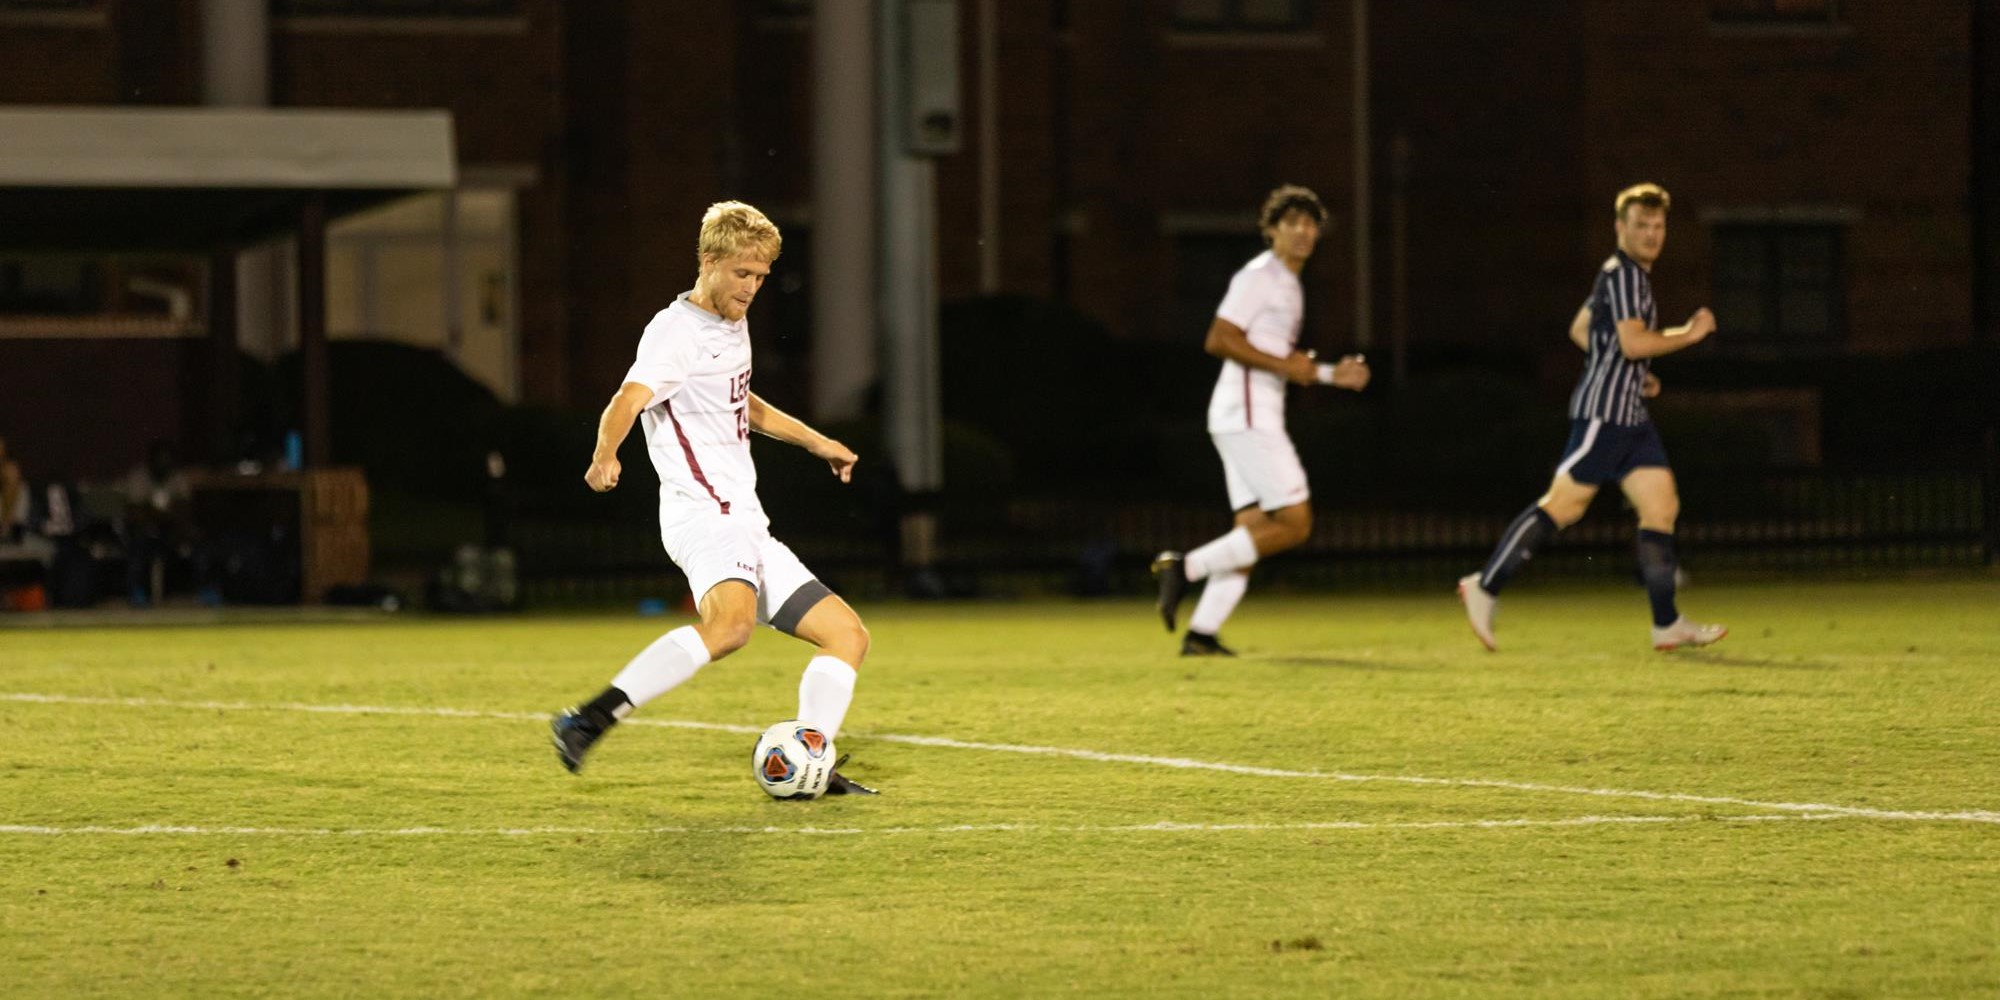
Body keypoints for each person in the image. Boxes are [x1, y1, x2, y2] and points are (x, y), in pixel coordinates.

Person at [550, 201, 877, 794]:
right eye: (741, 274)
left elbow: (740, 401)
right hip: (703, 515)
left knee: (847, 635)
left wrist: (816, 441)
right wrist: (605, 455)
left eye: (760, 277)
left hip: (745, 519)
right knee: (729, 627)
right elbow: (628, 399)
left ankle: (810, 758)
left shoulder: (730, 323)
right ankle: (589, 719)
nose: (751, 289)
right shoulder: (675, 332)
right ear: (708, 261)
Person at [1458, 183, 1726, 652]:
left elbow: (1582, 329)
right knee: (1563, 505)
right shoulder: (1624, 275)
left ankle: (1666, 623)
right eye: (1640, 225)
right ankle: (1484, 586)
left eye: (1658, 225)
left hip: (1631, 416)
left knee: (1660, 506)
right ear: (1619, 228)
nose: (1651, 233)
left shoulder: (1624, 276)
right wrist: (1689, 333)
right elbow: (1632, 342)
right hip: (1604, 416)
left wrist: (1632, 373)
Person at [1152, 185, 1371, 655]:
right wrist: (1285, 366)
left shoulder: (1288, 284)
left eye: (1310, 223)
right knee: (1295, 523)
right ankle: (1184, 567)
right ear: (1270, 230)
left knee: (1254, 532)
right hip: (1249, 414)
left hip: (1241, 413)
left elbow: (1283, 358)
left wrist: (1335, 374)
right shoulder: (1261, 276)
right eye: (1291, 222)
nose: (1302, 231)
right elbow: (1219, 338)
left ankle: (1201, 633)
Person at [122, 439, 201, 607]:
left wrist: (153, 511)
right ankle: (137, 593)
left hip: (172, 532)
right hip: (144, 532)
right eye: (158, 459)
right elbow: (135, 513)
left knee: (196, 542)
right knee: (138, 546)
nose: (162, 463)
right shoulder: (139, 476)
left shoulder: (177, 477)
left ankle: (204, 590)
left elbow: (184, 511)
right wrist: (163, 513)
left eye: (166, 459)